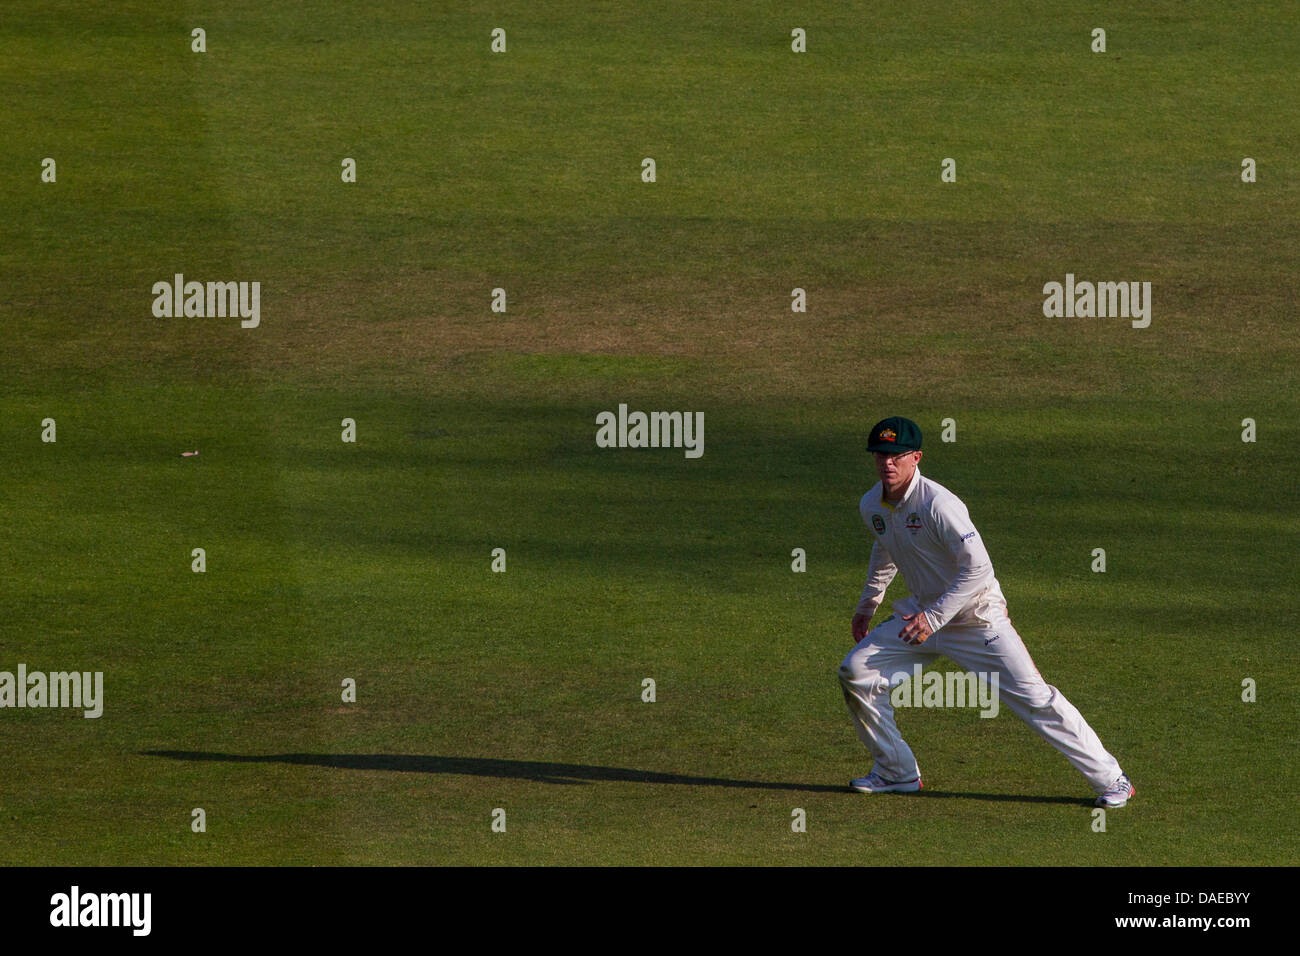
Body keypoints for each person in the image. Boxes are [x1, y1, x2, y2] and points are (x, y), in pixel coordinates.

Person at [837, 416, 1135, 808]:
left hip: (976, 618)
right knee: (857, 672)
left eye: (896, 455)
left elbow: (979, 569)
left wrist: (934, 619)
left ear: (916, 457)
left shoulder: (939, 504)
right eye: (880, 455)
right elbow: (886, 547)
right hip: (921, 617)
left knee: (1034, 698)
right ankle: (896, 771)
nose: (886, 463)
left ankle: (1113, 779)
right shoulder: (871, 503)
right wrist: (868, 604)